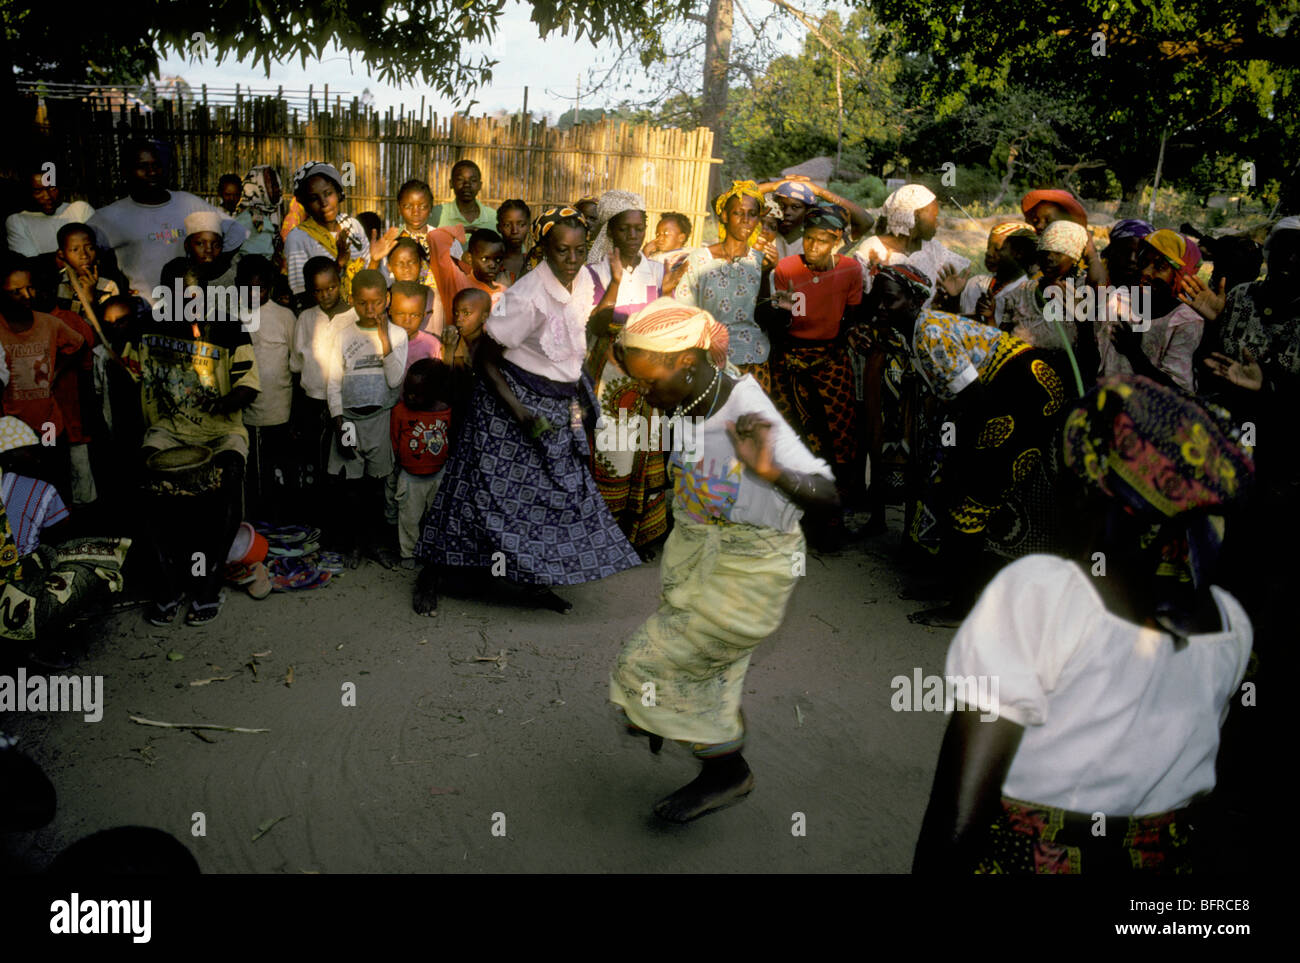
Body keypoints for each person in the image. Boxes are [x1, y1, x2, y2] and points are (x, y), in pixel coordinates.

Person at [913, 376, 1253, 873]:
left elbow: (957, 820)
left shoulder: (1041, 595)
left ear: (1094, 495)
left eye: (1067, 478)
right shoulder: (1230, 622)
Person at [608, 300, 839, 822]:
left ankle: (719, 763)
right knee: (699, 676)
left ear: (687, 362)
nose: (645, 394)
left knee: (650, 666)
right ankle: (725, 772)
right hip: (699, 554)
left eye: (651, 382)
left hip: (751, 567)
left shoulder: (747, 413)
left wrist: (772, 470)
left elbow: (829, 496)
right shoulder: (690, 398)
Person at [412, 207, 640, 615]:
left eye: (579, 250)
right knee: (478, 492)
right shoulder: (528, 296)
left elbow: (590, 323)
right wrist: (518, 412)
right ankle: (432, 571)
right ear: (544, 249)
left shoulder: (584, 279)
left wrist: (619, 282)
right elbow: (484, 357)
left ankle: (535, 580)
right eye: (562, 251)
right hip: (508, 403)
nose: (572, 259)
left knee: (552, 493)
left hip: (556, 402)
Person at [870, 264, 1067, 625]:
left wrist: (959, 453)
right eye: (877, 299)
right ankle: (952, 587)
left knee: (970, 496)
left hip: (1026, 392)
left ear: (915, 300)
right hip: (1008, 390)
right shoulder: (914, 330)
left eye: (889, 300)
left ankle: (962, 607)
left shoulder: (929, 334)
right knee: (953, 488)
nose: (880, 308)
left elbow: (974, 400)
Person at [125, 255, 260, 626]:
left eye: (194, 294)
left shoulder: (228, 326)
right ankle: (168, 585)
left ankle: (208, 583)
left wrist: (222, 402)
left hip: (221, 431)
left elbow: (248, 387)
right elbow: (130, 375)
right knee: (146, 483)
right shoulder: (148, 326)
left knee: (229, 477)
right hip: (168, 430)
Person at [763, 207, 865, 509]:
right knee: (791, 429)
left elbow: (851, 316)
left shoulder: (850, 269)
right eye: (808, 239)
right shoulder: (787, 268)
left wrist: (840, 342)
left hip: (831, 358)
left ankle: (835, 503)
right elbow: (784, 322)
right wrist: (783, 310)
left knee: (838, 432)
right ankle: (792, 500)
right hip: (790, 357)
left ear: (835, 240)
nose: (812, 247)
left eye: (821, 240)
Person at [583, 190, 669, 552]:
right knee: (613, 450)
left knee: (646, 449)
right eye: (625, 229)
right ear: (611, 232)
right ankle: (604, 535)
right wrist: (616, 284)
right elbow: (598, 324)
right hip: (612, 373)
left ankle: (640, 533)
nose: (633, 235)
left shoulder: (658, 269)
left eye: (639, 228)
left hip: (647, 372)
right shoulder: (595, 271)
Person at [88, 140, 245, 302]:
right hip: (143, 311)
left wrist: (210, 264)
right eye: (143, 166)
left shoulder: (188, 203)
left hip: (186, 308)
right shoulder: (111, 216)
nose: (152, 172)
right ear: (126, 172)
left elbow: (237, 232)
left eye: (156, 165)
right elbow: (78, 247)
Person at [325, 269, 407, 568]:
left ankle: (375, 544)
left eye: (376, 302)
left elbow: (396, 379)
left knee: (377, 487)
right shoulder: (343, 335)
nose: (370, 310)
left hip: (380, 419)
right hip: (349, 420)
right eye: (362, 303)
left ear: (386, 300)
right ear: (352, 301)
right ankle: (354, 545)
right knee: (352, 489)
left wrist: (384, 338)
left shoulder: (397, 335)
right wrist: (338, 423)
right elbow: (333, 382)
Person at [673, 181, 776, 389]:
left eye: (752, 214)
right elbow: (684, 312)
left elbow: (763, 315)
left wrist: (767, 274)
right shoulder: (700, 260)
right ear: (724, 216)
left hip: (753, 361)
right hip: (709, 363)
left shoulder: (760, 261)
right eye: (738, 213)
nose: (746, 221)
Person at [0, 257, 84, 492]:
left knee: (54, 480)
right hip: (13, 429)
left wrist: (56, 373)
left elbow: (77, 344)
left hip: (48, 425)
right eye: (16, 292)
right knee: (23, 488)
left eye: (30, 287)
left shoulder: (49, 324)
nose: (27, 296)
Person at [289, 257, 355, 522]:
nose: (325, 295)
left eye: (331, 287)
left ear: (340, 283)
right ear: (309, 289)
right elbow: (296, 364)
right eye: (318, 290)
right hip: (313, 404)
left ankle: (345, 523)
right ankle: (320, 523)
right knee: (315, 464)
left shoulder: (354, 316)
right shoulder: (305, 318)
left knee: (347, 464)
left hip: (346, 406)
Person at [1098, 229, 1204, 392]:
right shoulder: (1117, 301)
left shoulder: (1185, 320)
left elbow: (1178, 390)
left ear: (1181, 275)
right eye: (1143, 262)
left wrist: (1134, 353)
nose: (1145, 272)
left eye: (1159, 267)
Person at [238, 256, 297, 520]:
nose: (253, 295)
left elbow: (296, 360)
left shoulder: (284, 316)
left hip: (279, 405)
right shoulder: (232, 315)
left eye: (259, 289)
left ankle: (282, 515)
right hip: (245, 409)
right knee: (252, 466)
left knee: (280, 463)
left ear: (269, 287)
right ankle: (256, 516)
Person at [851, 184, 971, 305]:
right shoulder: (873, 248)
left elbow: (935, 303)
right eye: (934, 216)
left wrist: (950, 295)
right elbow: (859, 300)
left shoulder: (934, 249)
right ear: (916, 215)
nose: (937, 223)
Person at [389, 358, 452, 568]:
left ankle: (432, 551)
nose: (410, 397)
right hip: (410, 477)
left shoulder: (445, 411)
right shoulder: (400, 411)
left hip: (438, 474)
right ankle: (408, 552)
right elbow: (395, 440)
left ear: (433, 392)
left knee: (435, 516)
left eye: (417, 393)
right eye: (407, 391)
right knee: (409, 517)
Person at [283, 160, 371, 303]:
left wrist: (377, 258)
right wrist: (339, 264)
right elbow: (301, 294)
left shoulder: (353, 227)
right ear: (305, 203)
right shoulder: (299, 238)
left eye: (328, 193)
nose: (324, 203)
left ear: (338, 192)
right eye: (313, 198)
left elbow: (369, 276)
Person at [0, 416, 69, 554]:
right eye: (30, 449)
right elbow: (61, 532)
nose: (37, 456)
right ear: (12, 454)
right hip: (25, 569)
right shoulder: (43, 490)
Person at [757, 177, 871, 259]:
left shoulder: (820, 241)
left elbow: (866, 222)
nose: (787, 212)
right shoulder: (764, 235)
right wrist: (774, 186)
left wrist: (820, 192)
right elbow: (740, 196)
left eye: (796, 207)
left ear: (808, 210)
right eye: (782, 206)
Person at [5, 163, 95, 258]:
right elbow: (30, 263)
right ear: (29, 192)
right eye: (38, 191)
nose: (48, 196)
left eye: (52, 188)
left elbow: (97, 248)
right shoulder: (18, 221)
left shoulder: (79, 209)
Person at [427, 225, 506, 323]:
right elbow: (435, 237)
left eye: (498, 259)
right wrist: (464, 230)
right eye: (485, 259)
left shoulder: (502, 291)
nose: (493, 265)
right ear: (469, 258)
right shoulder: (457, 282)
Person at [957, 221, 1038, 316]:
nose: (989, 253)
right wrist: (953, 297)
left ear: (1019, 253)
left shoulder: (1025, 295)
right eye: (988, 247)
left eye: (997, 249)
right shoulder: (975, 283)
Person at [54, 223, 120, 323]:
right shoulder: (56, 283)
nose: (84, 255)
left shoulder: (108, 286)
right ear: (61, 254)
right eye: (75, 250)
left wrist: (89, 298)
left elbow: (109, 327)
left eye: (90, 248)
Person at [232, 165, 283, 261]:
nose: (278, 189)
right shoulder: (247, 217)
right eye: (273, 185)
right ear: (258, 187)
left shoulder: (272, 214)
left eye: (277, 184)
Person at [431, 160, 497, 232]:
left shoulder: (493, 217)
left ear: (480, 185)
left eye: (473, 180)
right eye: (460, 179)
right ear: (451, 183)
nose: (467, 184)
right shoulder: (437, 213)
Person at [389, 281, 442, 368]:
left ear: (423, 315)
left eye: (414, 315)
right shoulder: (381, 341)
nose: (407, 321)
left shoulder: (432, 344)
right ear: (390, 312)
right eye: (400, 313)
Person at [497, 199, 531, 284]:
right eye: (507, 225)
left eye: (521, 225)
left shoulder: (534, 264)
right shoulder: (491, 264)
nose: (515, 231)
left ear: (528, 227)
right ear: (499, 228)